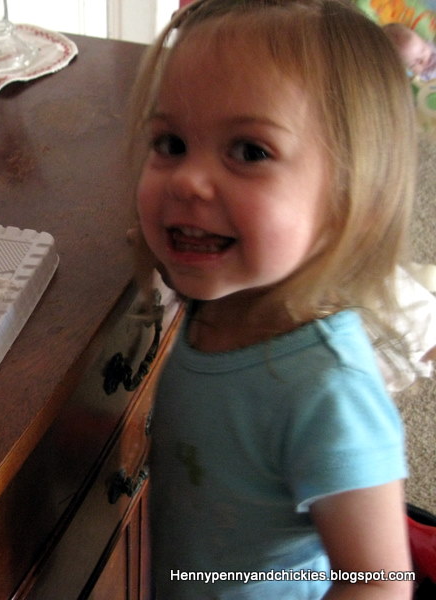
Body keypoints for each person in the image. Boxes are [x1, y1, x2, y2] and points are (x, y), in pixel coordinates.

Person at [129, 0, 416, 597]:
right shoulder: (217, 294)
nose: (186, 180)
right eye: (171, 143)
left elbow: (379, 582)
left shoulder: (329, 392)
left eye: (250, 152)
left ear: (348, 197)